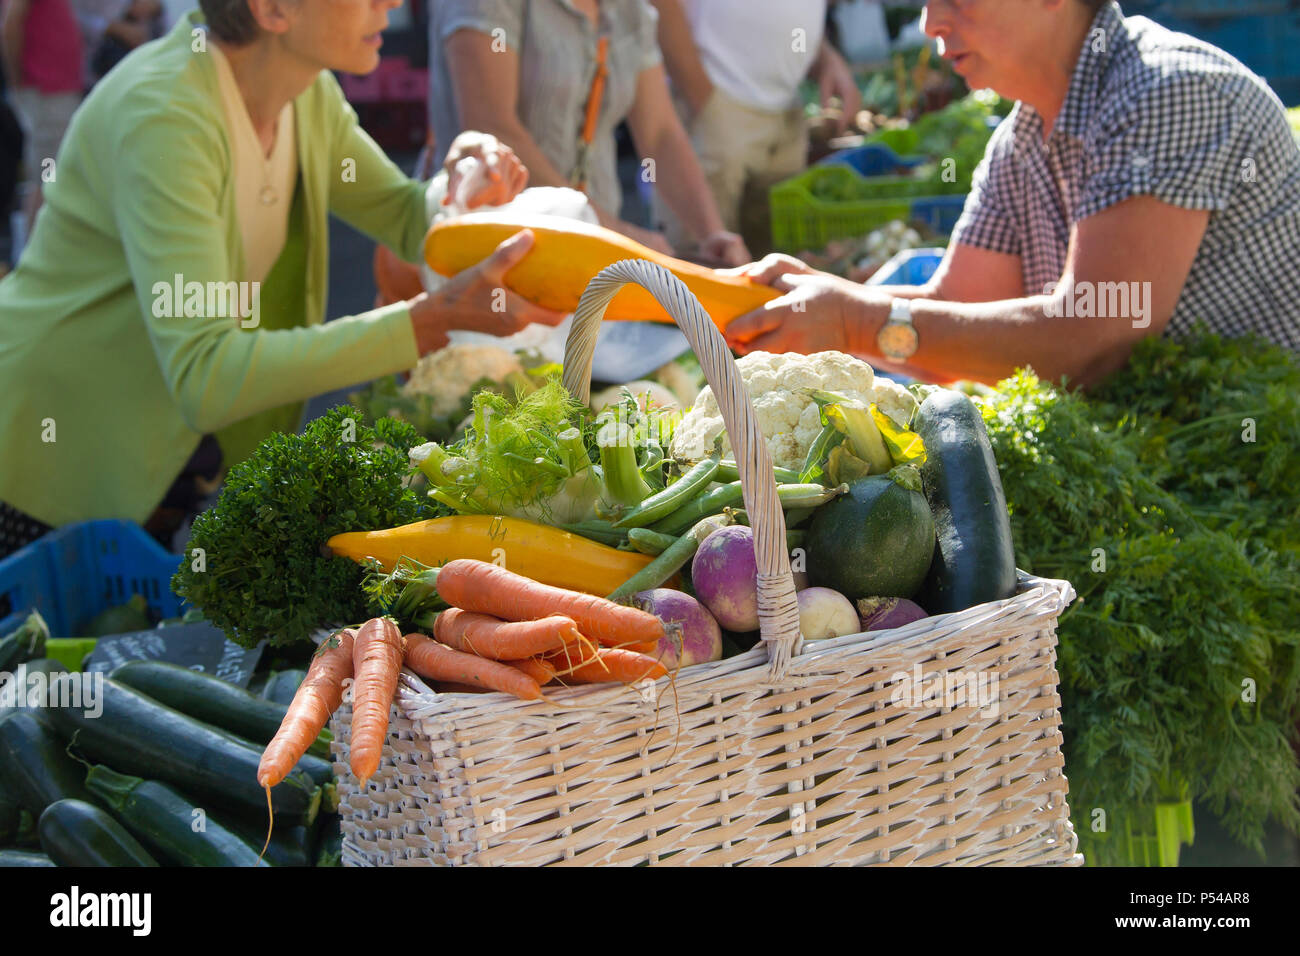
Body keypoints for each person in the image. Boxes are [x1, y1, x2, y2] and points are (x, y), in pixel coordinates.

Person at [0, 0, 564, 559]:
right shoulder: (165, 114)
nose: (391, 2)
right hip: (49, 453)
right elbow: (207, 376)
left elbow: (402, 213)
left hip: (161, 459)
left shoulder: (304, 89)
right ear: (271, 10)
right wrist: (430, 321)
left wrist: (461, 186)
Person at [724, 0, 1300, 387]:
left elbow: (1092, 337)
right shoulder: (1021, 140)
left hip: (1251, 472)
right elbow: (960, 306)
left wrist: (852, 320)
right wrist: (819, 300)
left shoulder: (1169, 92)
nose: (930, 23)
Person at [427, 0, 750, 266]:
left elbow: (661, 133)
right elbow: (492, 125)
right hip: (492, 255)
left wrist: (712, 236)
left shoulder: (629, 9)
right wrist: (619, 235)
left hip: (591, 262)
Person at [650, 0, 861, 254]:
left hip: (786, 112)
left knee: (776, 270)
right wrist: (704, 100)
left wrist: (825, 58)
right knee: (705, 265)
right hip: (717, 105)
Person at [1, 0, 84, 238]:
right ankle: (34, 256)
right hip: (46, 92)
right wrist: (19, 84)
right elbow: (9, 27)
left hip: (53, 91)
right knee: (47, 179)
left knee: (49, 176)